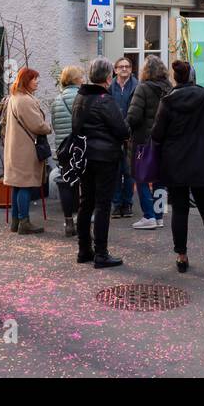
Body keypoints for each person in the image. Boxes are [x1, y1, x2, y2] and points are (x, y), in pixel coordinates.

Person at [150, 60, 204, 274]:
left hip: (175, 162)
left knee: (179, 210)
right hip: (203, 161)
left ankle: (181, 257)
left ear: (175, 78)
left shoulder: (167, 101)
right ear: (193, 77)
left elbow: (156, 134)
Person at [72, 57, 131, 268]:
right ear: (108, 76)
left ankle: (84, 249)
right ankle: (101, 253)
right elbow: (121, 129)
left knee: (85, 203)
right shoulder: (105, 100)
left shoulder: (80, 98)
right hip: (105, 157)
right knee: (103, 205)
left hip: (84, 156)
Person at [2, 67, 53, 235]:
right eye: (34, 79)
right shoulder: (24, 100)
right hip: (25, 150)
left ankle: (16, 221)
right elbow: (37, 125)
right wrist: (48, 128)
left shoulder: (14, 98)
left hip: (16, 148)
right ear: (26, 81)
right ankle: (24, 222)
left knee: (18, 185)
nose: (37, 82)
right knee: (25, 185)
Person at [125, 56, 171, 229]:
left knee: (141, 176)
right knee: (160, 178)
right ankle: (159, 216)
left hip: (143, 141)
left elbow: (133, 117)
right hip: (163, 140)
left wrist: (126, 129)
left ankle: (149, 216)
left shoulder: (142, 88)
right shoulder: (169, 88)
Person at [50, 64, 84, 237]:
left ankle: (68, 220)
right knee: (82, 183)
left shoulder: (57, 100)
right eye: (81, 76)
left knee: (66, 184)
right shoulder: (81, 97)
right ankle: (81, 219)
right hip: (80, 147)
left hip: (63, 149)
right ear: (76, 79)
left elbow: (54, 125)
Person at [108, 57, 139, 219]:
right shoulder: (109, 87)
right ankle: (116, 203)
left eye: (127, 66)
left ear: (131, 69)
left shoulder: (137, 86)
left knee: (128, 171)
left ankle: (127, 204)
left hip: (131, 135)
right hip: (113, 135)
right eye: (121, 67)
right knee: (115, 171)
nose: (124, 69)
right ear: (115, 70)